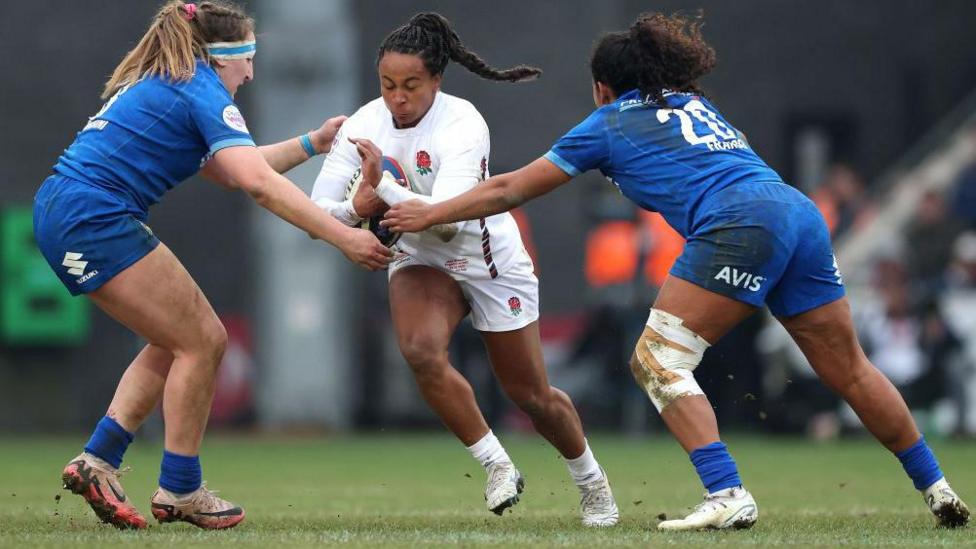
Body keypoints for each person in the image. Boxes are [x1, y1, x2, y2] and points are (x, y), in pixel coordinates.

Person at [382, 12, 970, 530]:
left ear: (602, 87)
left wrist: (430, 211)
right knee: (852, 369)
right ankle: (937, 488)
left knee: (657, 360)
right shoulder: (692, 102)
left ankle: (726, 491)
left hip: (739, 221)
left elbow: (510, 187)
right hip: (797, 212)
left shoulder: (608, 121)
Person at [37, 0, 391, 531]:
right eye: (248, 58)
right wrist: (342, 237)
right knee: (203, 341)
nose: (251, 72)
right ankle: (180, 488)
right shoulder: (199, 88)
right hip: (94, 215)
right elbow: (255, 184)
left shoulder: (170, 84)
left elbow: (233, 170)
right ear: (225, 57)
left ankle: (98, 461)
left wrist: (313, 144)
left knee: (173, 339)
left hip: (68, 208)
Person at [312, 12, 618, 526]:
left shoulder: (462, 122)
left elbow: (447, 220)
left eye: (411, 85)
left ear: (436, 79)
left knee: (531, 395)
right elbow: (322, 209)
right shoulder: (363, 124)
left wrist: (378, 191)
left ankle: (592, 482)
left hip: (483, 255)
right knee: (419, 350)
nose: (397, 97)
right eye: (387, 84)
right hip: (419, 255)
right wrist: (356, 210)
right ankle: (497, 465)